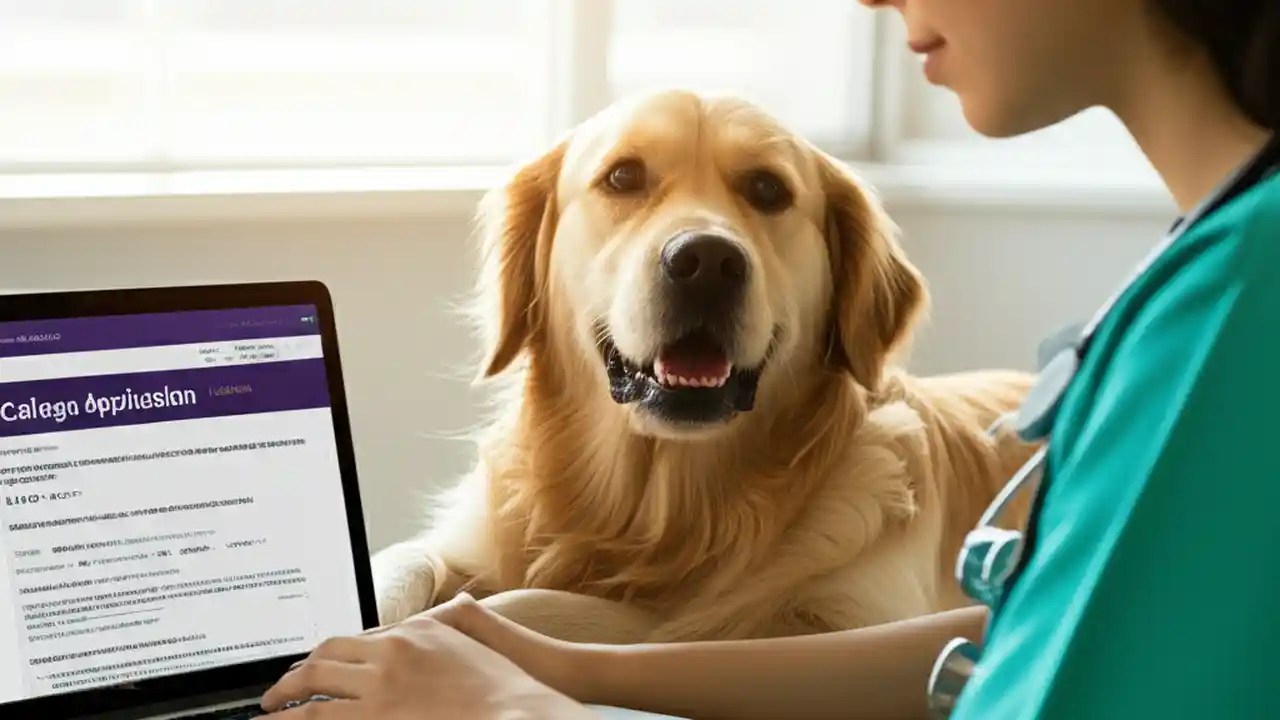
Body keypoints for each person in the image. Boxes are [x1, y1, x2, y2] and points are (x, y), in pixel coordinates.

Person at [259, 0, 1280, 717]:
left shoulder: (1240, 303)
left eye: (761, 195)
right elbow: (1002, 643)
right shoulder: (1212, 267)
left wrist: (525, 707)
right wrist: (558, 665)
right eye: (624, 179)